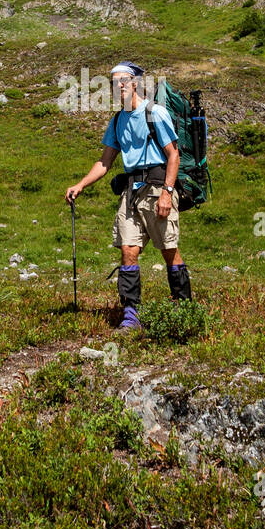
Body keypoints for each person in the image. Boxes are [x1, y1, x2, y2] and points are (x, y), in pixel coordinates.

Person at [65, 62, 192, 329]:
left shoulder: (155, 113)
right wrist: (80, 185)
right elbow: (105, 162)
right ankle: (131, 314)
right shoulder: (117, 120)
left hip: (158, 188)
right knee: (127, 250)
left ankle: (184, 308)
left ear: (135, 83)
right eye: (113, 82)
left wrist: (168, 193)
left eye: (124, 80)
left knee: (168, 250)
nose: (119, 86)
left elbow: (173, 155)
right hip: (131, 193)